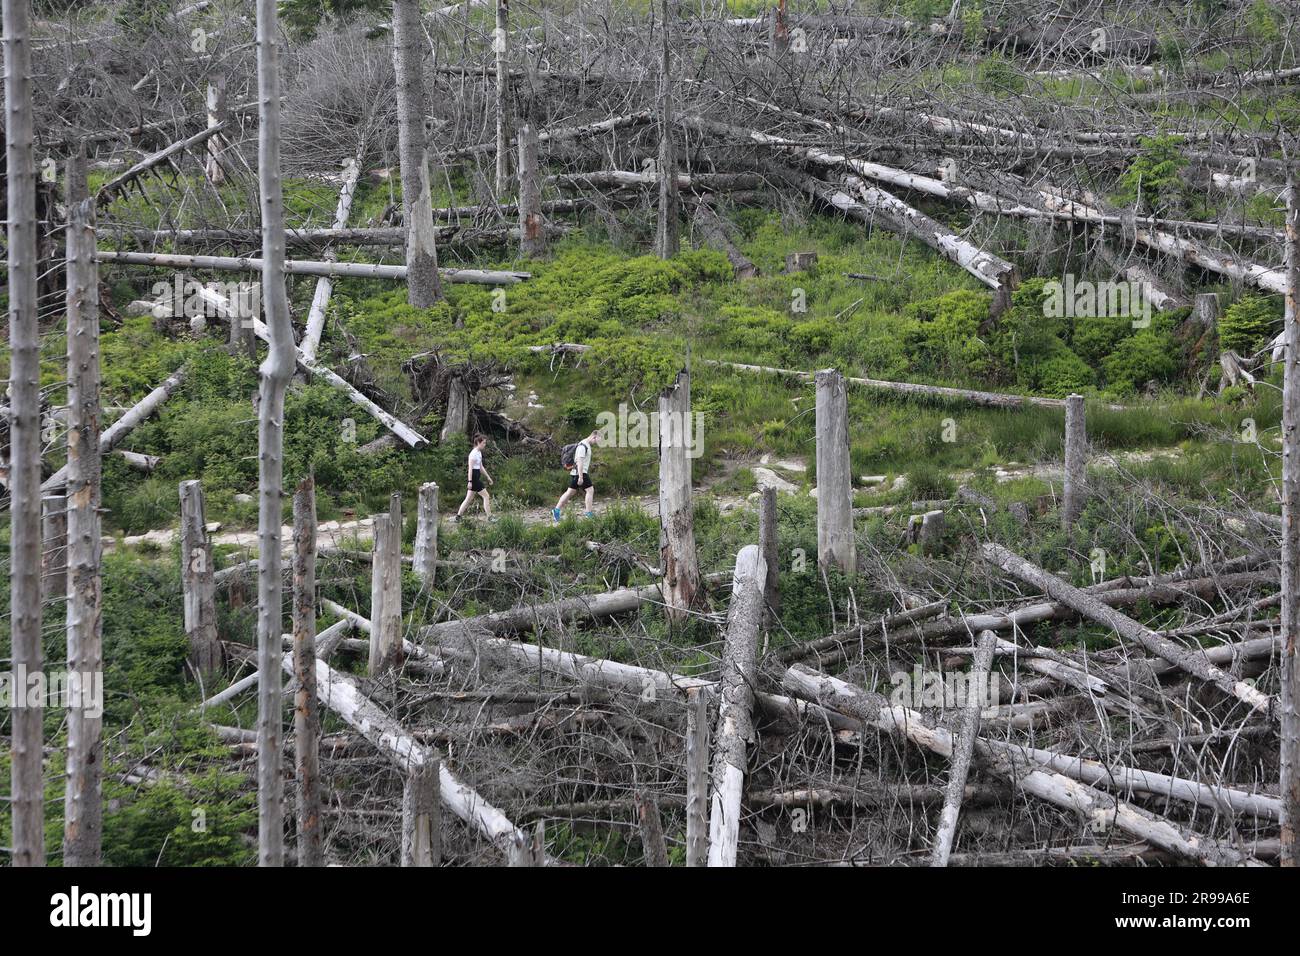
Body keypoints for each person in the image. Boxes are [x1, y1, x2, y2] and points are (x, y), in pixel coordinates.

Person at [553, 430, 601, 522]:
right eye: (597, 441)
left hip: (578, 472)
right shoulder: (583, 446)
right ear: (593, 437)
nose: (596, 443)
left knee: (570, 492)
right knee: (590, 490)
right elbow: (579, 461)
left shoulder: (586, 445)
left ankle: (556, 510)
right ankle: (589, 514)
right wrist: (581, 476)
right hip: (580, 472)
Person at [455, 433, 495, 521]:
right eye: (483, 443)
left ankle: (458, 517)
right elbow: (470, 469)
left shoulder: (479, 453)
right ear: (478, 443)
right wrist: (470, 481)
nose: (485, 445)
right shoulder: (473, 454)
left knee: (468, 499)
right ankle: (490, 517)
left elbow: (481, 467)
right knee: (486, 496)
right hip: (473, 478)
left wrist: (488, 477)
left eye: (485, 443)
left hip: (476, 477)